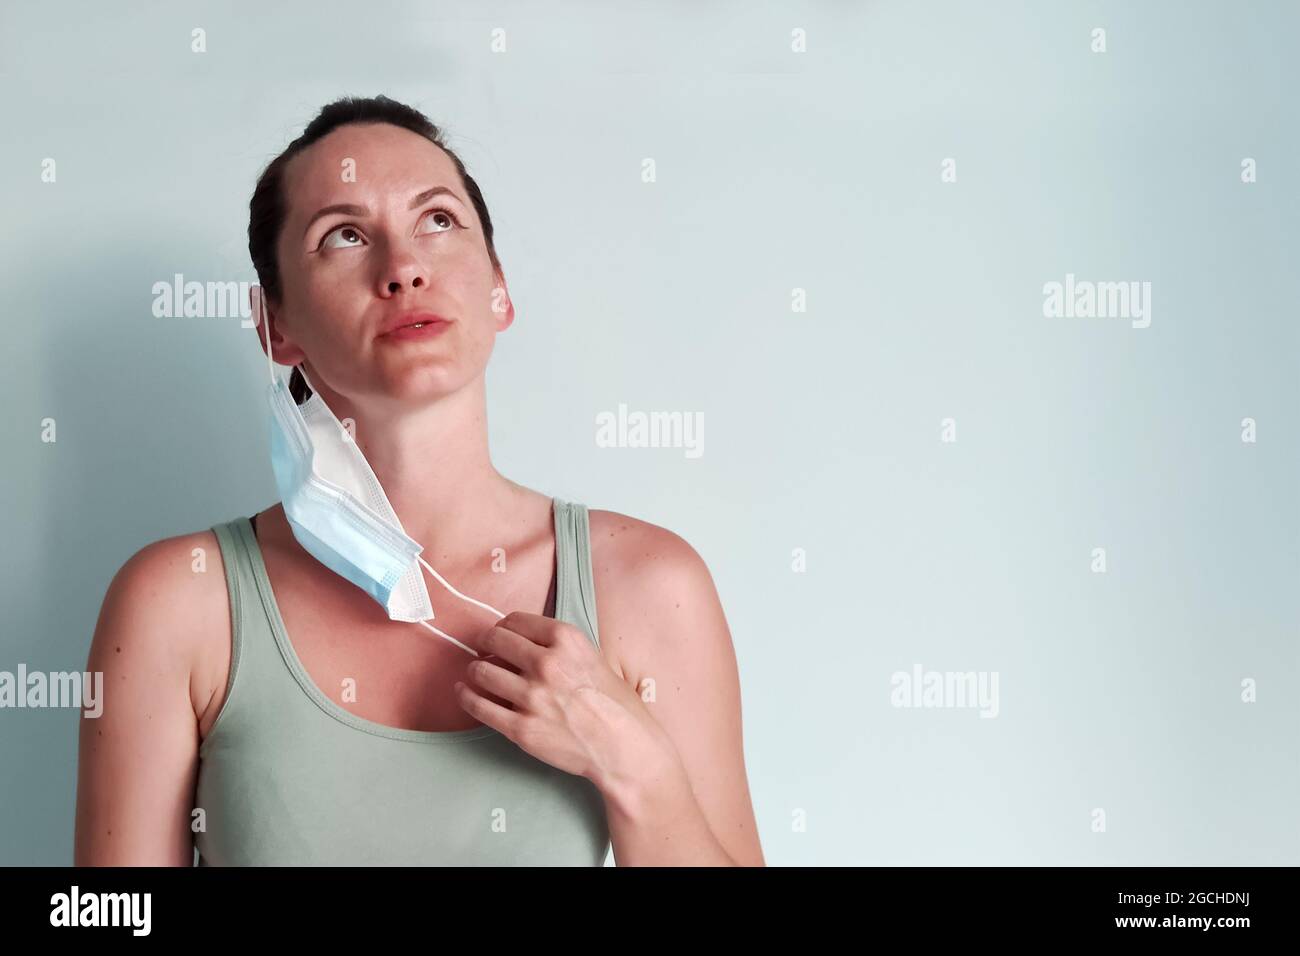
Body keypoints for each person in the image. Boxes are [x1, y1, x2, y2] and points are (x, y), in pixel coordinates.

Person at [73, 94, 764, 866]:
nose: (402, 268)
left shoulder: (647, 585)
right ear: (277, 327)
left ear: (499, 289)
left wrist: (637, 767)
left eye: (437, 221)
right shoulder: (179, 601)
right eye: (342, 236)